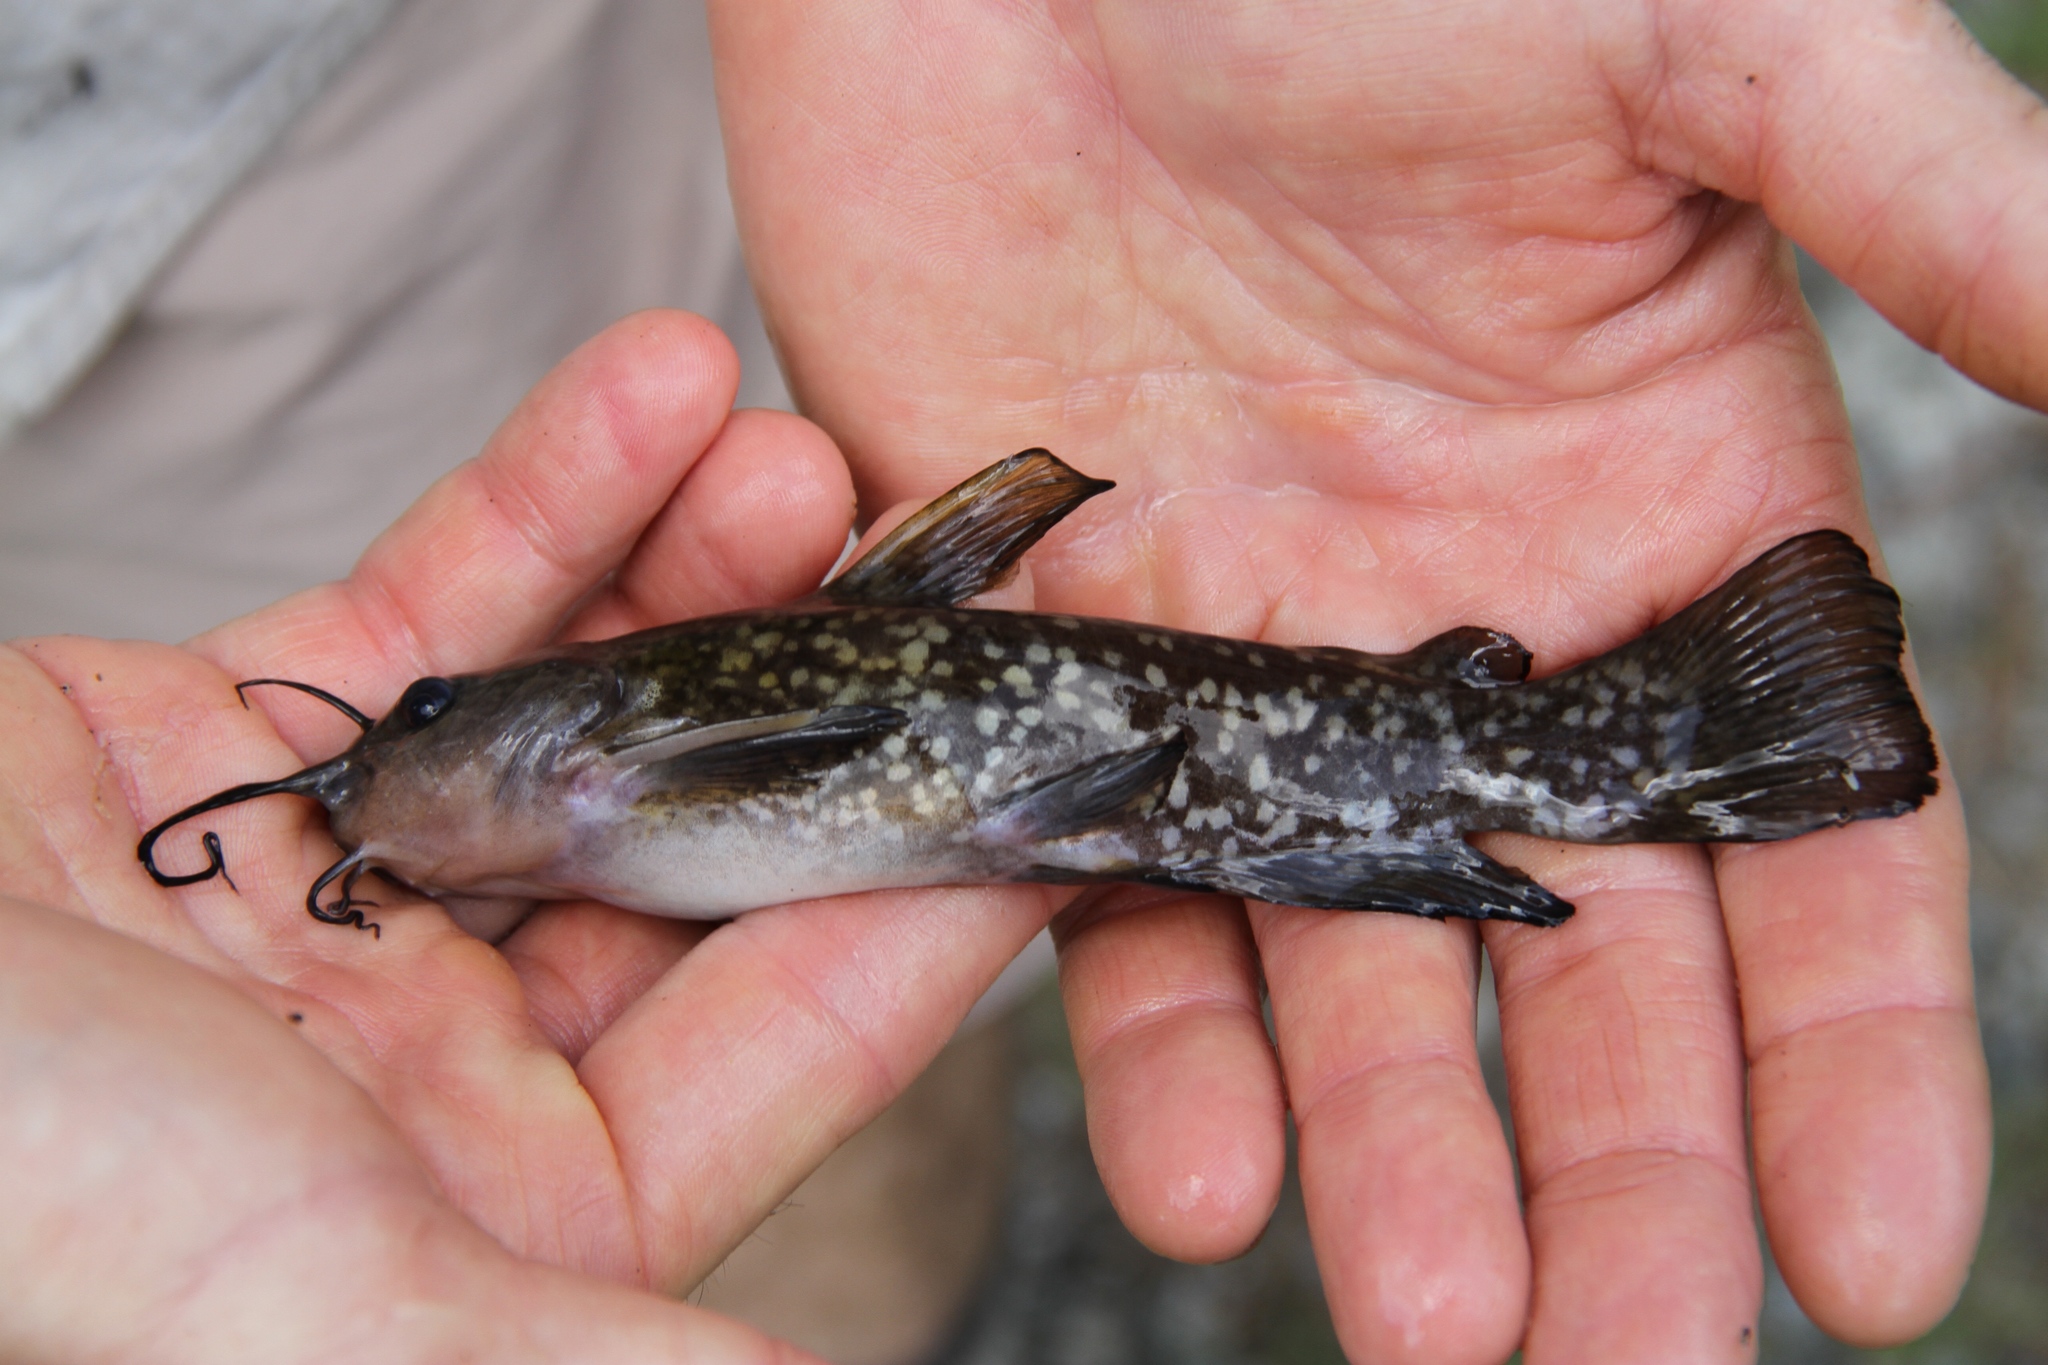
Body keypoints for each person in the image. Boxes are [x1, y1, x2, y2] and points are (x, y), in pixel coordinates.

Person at [0, 1, 2034, 1362]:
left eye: (423, 718)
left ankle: (902, 1257)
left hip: (378, 89)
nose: (386, 761)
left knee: (789, 1092)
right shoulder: (607, 759)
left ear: (557, 731)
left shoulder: (621, 730)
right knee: (640, 1130)